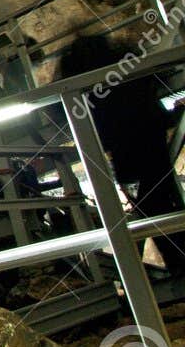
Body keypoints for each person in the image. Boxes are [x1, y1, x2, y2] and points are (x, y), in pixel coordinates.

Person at [61, 32, 185, 277]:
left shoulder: (88, 79)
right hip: (148, 138)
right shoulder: (122, 62)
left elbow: (96, 120)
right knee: (162, 197)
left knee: (152, 204)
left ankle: (178, 264)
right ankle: (178, 262)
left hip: (128, 148)